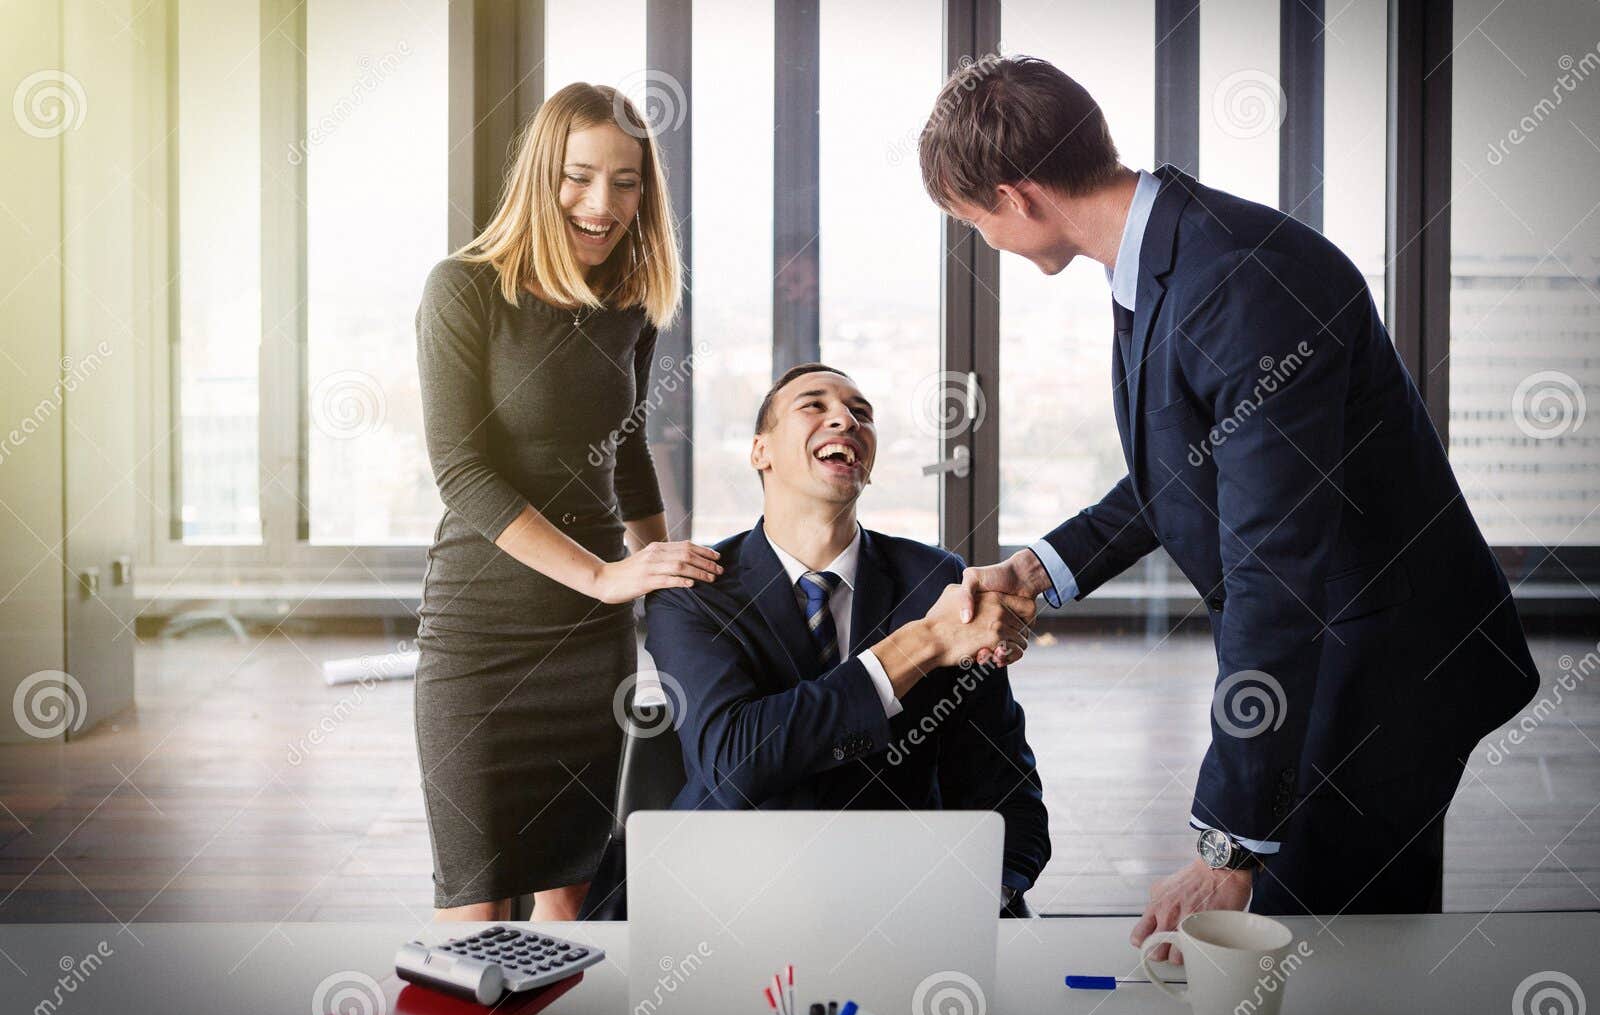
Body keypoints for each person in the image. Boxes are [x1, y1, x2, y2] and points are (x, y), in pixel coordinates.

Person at [916, 56, 1538, 951]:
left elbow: (1277, 574)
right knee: (1316, 945)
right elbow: (1190, 467)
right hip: (1340, 642)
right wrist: (1041, 569)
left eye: (974, 223)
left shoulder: (1237, 281)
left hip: (1382, 665)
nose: (984, 242)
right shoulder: (1171, 252)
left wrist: (1229, 838)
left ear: (1017, 197)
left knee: (1337, 955)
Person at [583, 364, 1050, 919]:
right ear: (761, 452)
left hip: (898, 904)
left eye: (862, 413)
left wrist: (983, 895)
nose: (845, 419)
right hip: (725, 904)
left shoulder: (938, 581)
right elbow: (738, 762)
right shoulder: (695, 588)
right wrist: (921, 644)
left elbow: (1005, 783)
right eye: (813, 405)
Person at [413, 83, 722, 922]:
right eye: (579, 176)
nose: (603, 203)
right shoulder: (463, 290)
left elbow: (625, 453)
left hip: (592, 644)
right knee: (475, 909)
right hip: (482, 633)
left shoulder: (629, 304)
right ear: (540, 175)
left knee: (574, 905)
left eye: (627, 182)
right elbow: (461, 473)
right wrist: (603, 577)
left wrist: (661, 589)